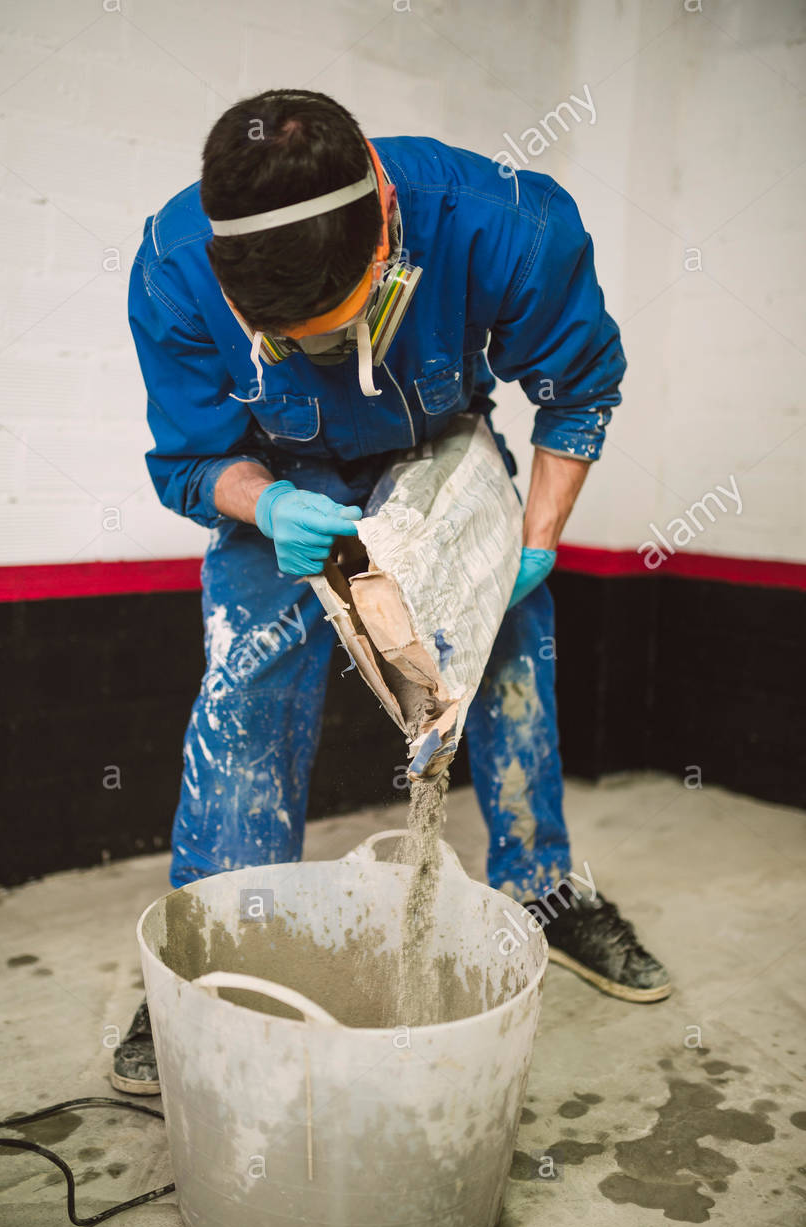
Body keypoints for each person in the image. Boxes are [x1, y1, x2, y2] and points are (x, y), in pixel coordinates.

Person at [113, 88, 670, 1095]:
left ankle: (544, 891)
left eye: (329, 332)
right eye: (284, 341)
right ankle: (209, 962)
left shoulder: (504, 223)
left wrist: (533, 545)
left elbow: (579, 388)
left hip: (439, 452)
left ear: (382, 243)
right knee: (244, 689)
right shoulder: (171, 266)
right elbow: (192, 457)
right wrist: (264, 504)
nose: (314, 357)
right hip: (279, 477)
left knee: (512, 656)